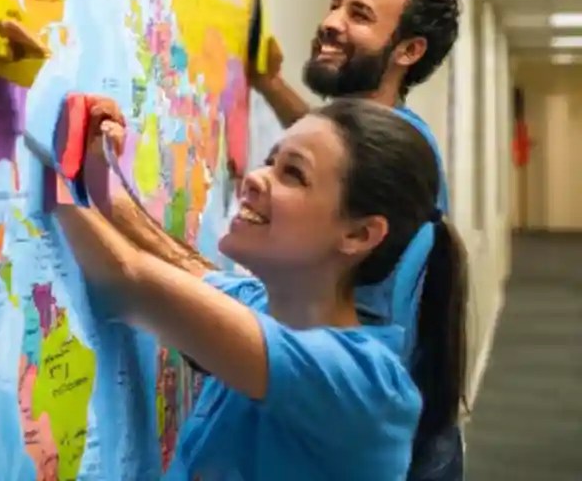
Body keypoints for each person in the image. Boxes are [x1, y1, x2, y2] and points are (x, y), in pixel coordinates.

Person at [56, 96, 468, 481]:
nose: (254, 177)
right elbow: (170, 262)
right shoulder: (263, 305)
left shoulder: (362, 383)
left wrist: (17, 139)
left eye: (293, 173)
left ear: (359, 234)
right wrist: (97, 163)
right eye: (271, 161)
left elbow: (127, 278)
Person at [250, 0, 463, 479]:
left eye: (360, 15)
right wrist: (271, 83)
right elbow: (335, 150)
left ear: (409, 50)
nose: (330, 22)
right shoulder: (400, 141)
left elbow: (338, 163)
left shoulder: (396, 160)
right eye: (334, 4)